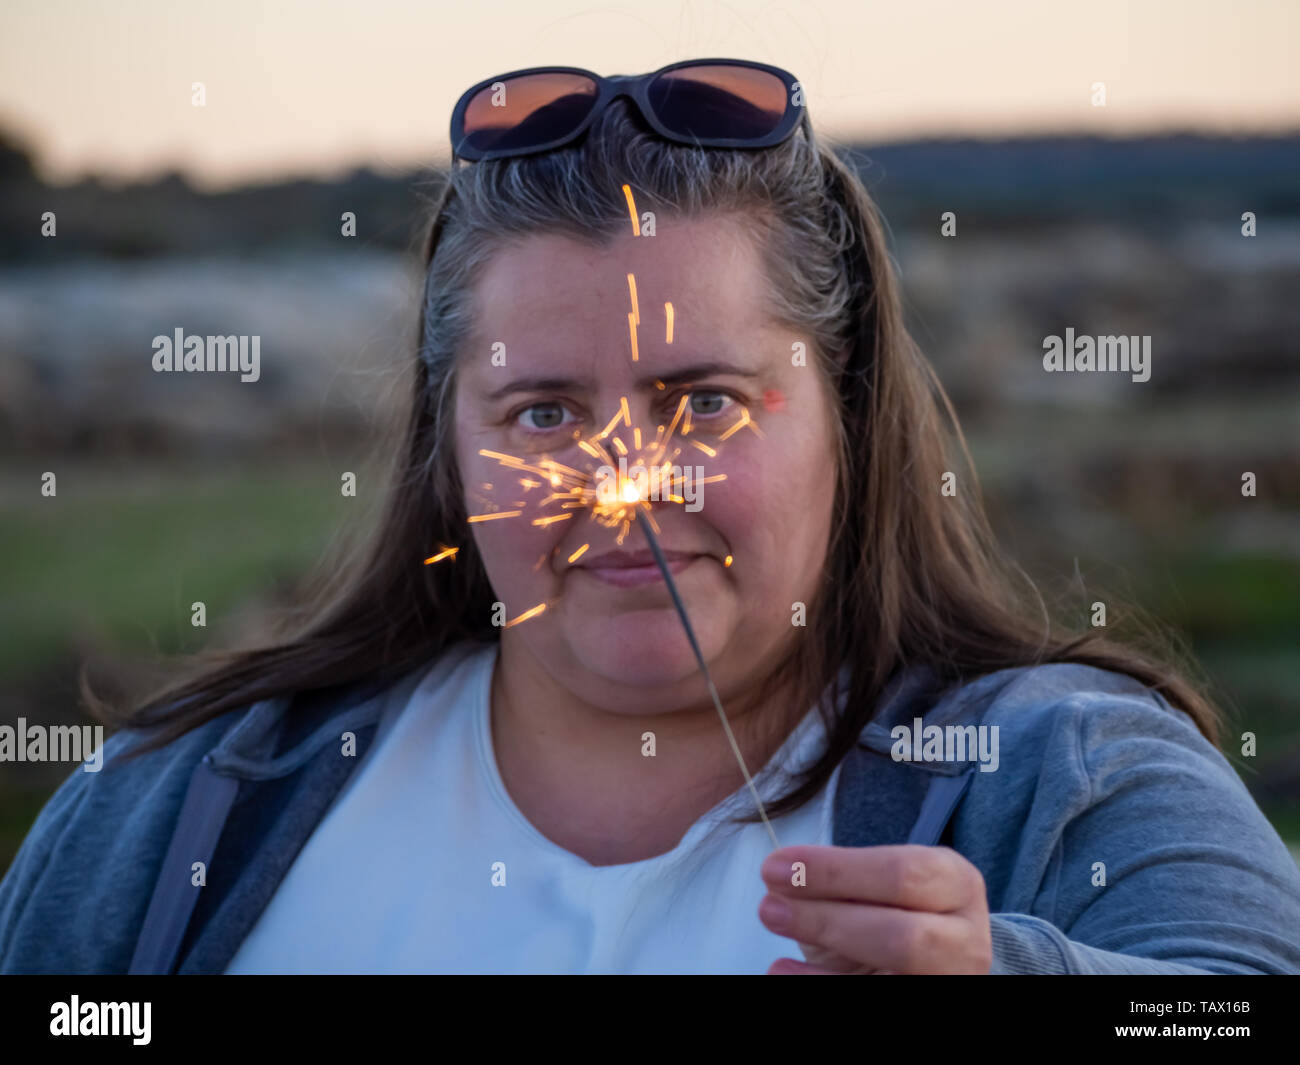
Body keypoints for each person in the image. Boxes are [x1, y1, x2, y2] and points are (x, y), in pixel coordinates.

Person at [2, 59, 1298, 975]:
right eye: (547, 415)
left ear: (845, 414)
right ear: (447, 449)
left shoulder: (1068, 775)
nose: (627, 483)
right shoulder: (177, 810)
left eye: (703, 403)